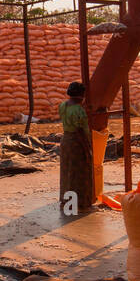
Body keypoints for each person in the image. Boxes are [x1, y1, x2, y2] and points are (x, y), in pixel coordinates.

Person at [58, 81, 94, 215]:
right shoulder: (79, 110)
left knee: (67, 173)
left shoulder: (63, 106)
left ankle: (66, 203)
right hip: (77, 143)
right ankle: (80, 205)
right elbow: (79, 131)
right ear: (81, 95)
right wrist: (87, 149)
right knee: (79, 175)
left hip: (66, 141)